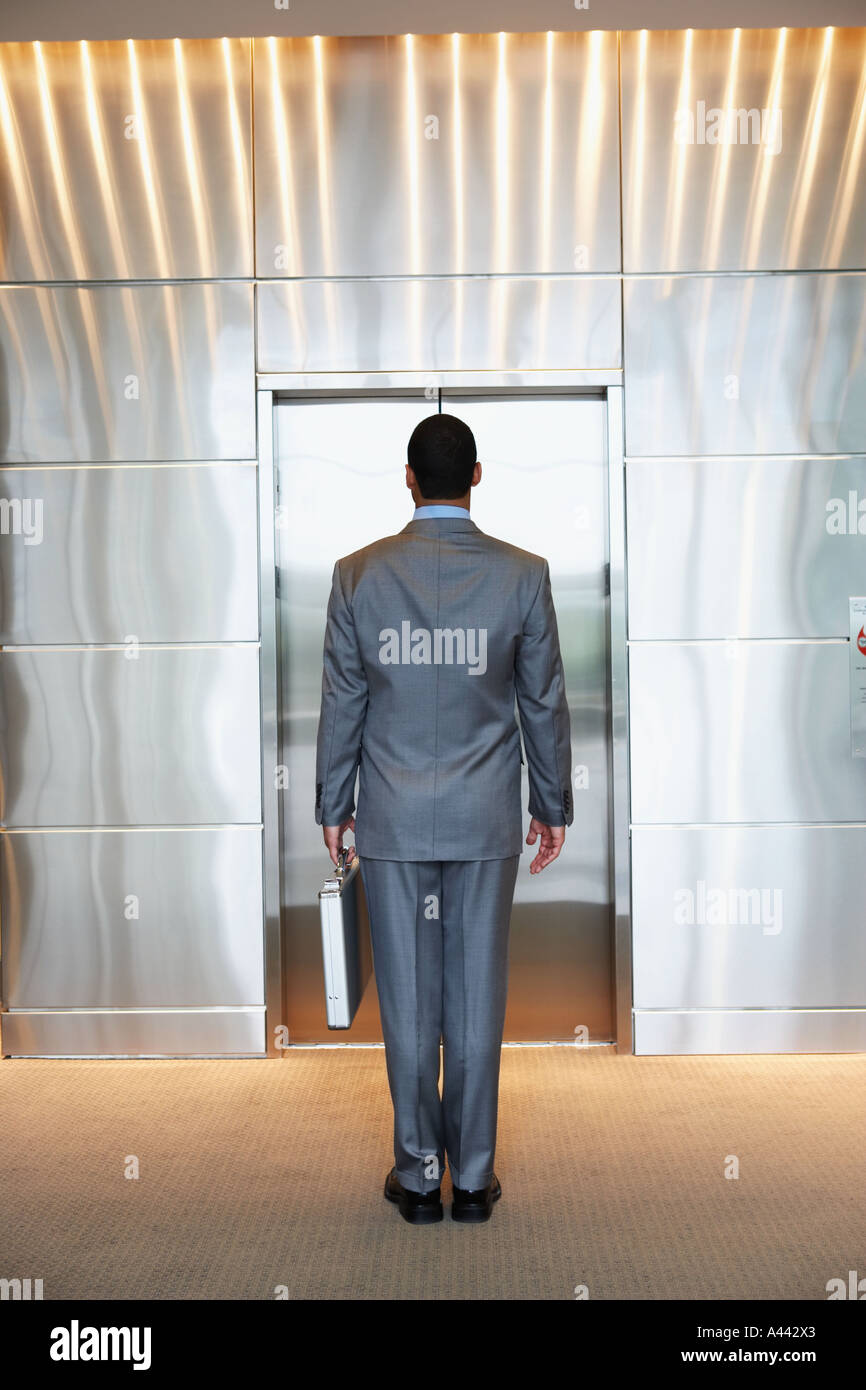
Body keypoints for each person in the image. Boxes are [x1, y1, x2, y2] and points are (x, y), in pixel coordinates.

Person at [314, 412, 573, 1224]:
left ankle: (418, 1178)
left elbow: (343, 702)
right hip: (483, 821)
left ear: (407, 477)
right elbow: (544, 700)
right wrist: (552, 803)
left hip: (390, 820)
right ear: (478, 475)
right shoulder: (522, 576)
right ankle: (475, 1180)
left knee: (409, 1002)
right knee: (474, 1001)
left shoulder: (359, 576)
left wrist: (332, 804)